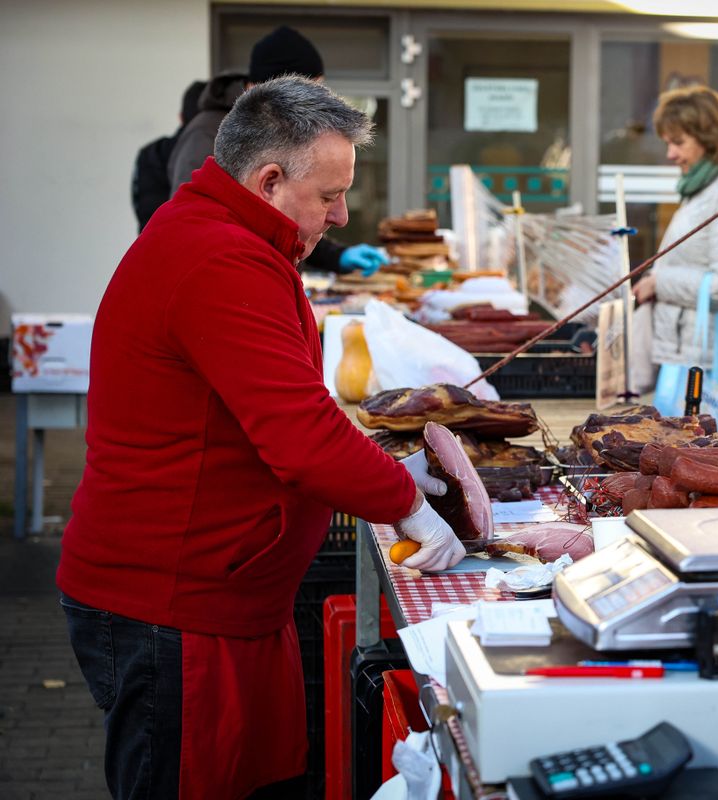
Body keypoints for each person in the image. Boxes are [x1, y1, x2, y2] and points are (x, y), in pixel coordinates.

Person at [57, 77, 465, 799]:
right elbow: (300, 436)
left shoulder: (230, 239)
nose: (341, 215)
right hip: (174, 604)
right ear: (269, 181)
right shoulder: (221, 257)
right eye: (329, 195)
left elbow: (277, 406)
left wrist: (379, 466)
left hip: (223, 596)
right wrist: (405, 500)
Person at [168, 24, 388, 276]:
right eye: (308, 96)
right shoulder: (205, 135)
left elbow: (294, 216)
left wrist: (337, 256)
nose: (341, 217)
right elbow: (199, 230)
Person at [630, 85, 718, 397]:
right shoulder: (707, 184)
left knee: (694, 445)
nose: (670, 154)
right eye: (667, 143)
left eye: (679, 143)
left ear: (709, 139)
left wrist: (658, 283)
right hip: (692, 354)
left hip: (708, 365)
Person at [131, 79, 205, 231]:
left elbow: (139, 203)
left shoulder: (149, 153)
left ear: (180, 117)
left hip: (149, 242)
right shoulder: (208, 150)